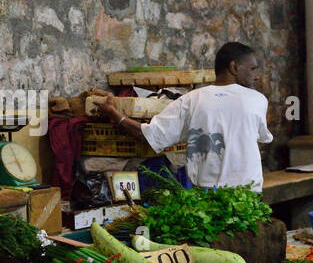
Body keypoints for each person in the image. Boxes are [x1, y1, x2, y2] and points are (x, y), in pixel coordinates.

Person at [95, 42, 272, 192]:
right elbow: (258, 139)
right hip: (249, 194)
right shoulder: (257, 100)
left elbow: (148, 136)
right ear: (234, 67)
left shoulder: (191, 100)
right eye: (252, 69)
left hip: (206, 195)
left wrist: (114, 114)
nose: (256, 76)